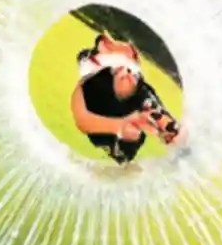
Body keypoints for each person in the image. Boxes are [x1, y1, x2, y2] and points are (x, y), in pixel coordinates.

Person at [70, 33, 181, 164]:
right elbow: (83, 121)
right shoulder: (94, 84)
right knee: (129, 135)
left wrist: (171, 131)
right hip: (106, 123)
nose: (126, 72)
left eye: (129, 70)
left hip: (127, 120)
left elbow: (166, 122)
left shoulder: (143, 94)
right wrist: (120, 126)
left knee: (139, 129)